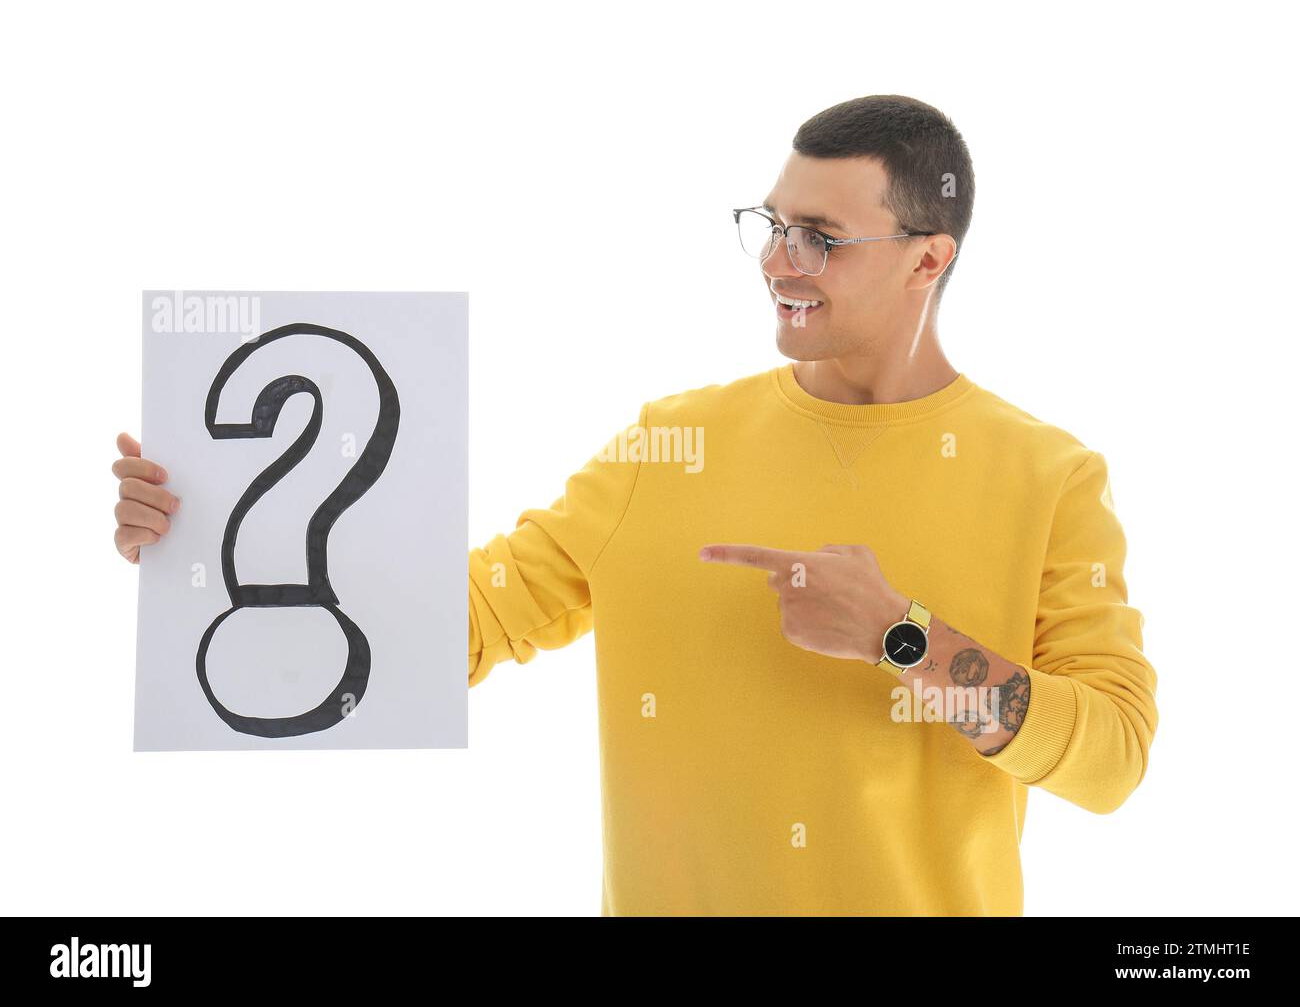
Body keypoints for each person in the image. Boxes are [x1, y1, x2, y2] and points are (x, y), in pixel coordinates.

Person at [112, 94, 1158, 916]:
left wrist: (901, 636)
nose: (775, 260)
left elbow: (1112, 758)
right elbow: (456, 629)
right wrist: (200, 537)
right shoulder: (671, 443)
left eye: (820, 237)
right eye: (771, 223)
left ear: (928, 256)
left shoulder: (1049, 477)